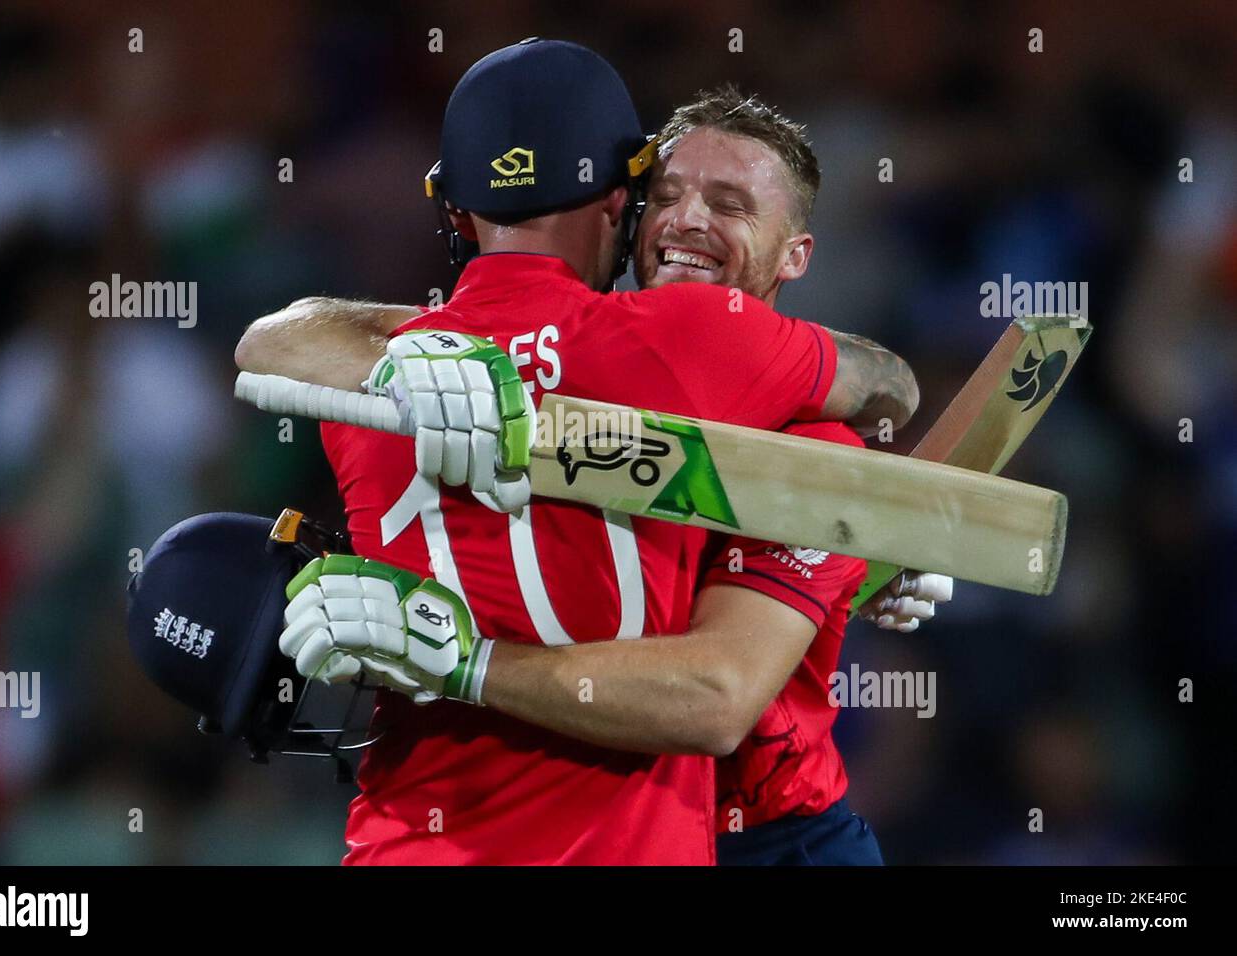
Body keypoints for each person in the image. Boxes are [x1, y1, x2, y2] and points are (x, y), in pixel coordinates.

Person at [239, 41, 923, 865]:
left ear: (454, 212)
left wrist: (884, 525)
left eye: (731, 203)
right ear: (622, 203)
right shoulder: (695, 342)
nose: (689, 221)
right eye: (666, 194)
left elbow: (266, 340)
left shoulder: (360, 383)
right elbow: (889, 381)